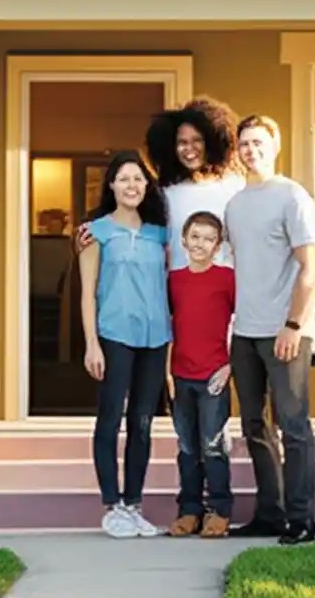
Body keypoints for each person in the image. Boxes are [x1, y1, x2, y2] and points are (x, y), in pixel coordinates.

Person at [222, 115, 315, 545]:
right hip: (244, 332)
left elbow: (310, 268)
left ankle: (302, 520)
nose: (251, 150)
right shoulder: (236, 204)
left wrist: (293, 325)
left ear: (275, 145)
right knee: (253, 426)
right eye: (244, 143)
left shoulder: (293, 197)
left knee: (294, 426)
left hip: (286, 331)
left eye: (258, 142)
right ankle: (270, 514)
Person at [78, 150, 171, 539]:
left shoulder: (160, 234)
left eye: (138, 179)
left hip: (156, 337)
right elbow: (87, 294)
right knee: (111, 419)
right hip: (115, 335)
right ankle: (112, 504)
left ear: (146, 186)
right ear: (112, 185)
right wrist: (91, 345)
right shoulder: (95, 232)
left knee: (143, 424)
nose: (132, 185)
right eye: (124, 178)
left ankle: (134, 505)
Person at [76, 96, 244, 269]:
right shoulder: (166, 193)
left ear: (211, 142)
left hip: (225, 287)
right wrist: (94, 235)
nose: (189, 149)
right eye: (182, 142)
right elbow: (131, 226)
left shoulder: (235, 188)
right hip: (176, 287)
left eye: (196, 141)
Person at [166, 211, 236, 538]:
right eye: (195, 237)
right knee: (187, 449)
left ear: (218, 245)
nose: (200, 244)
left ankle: (219, 511)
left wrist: (230, 365)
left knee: (212, 446)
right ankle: (189, 510)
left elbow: (244, 323)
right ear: (184, 239)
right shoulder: (174, 281)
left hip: (214, 377)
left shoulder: (226, 279)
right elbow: (167, 327)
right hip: (180, 376)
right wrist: (167, 373)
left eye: (208, 239)